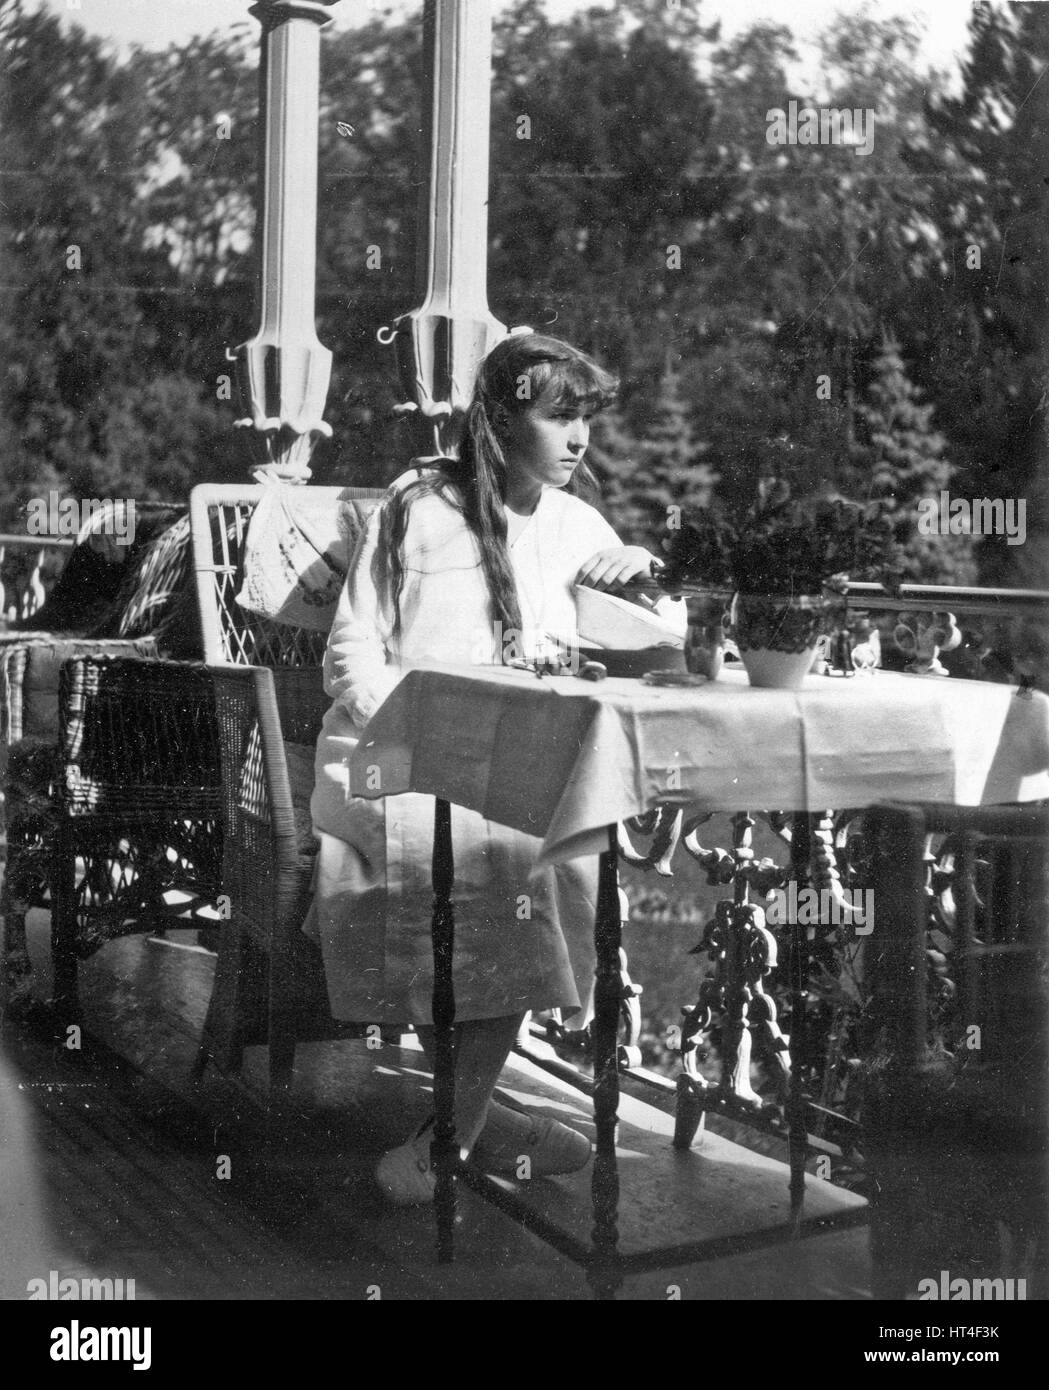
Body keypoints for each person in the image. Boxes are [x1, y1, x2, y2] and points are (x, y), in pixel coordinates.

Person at [309, 332, 682, 1204]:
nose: (580, 438)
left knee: (535, 864)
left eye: (586, 417)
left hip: (521, 762)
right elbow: (353, 647)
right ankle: (478, 1125)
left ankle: (458, 1125)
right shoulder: (418, 504)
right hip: (393, 748)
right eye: (559, 417)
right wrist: (413, 735)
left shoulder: (578, 524)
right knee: (467, 864)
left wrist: (640, 581)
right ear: (500, 417)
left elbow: (652, 645)